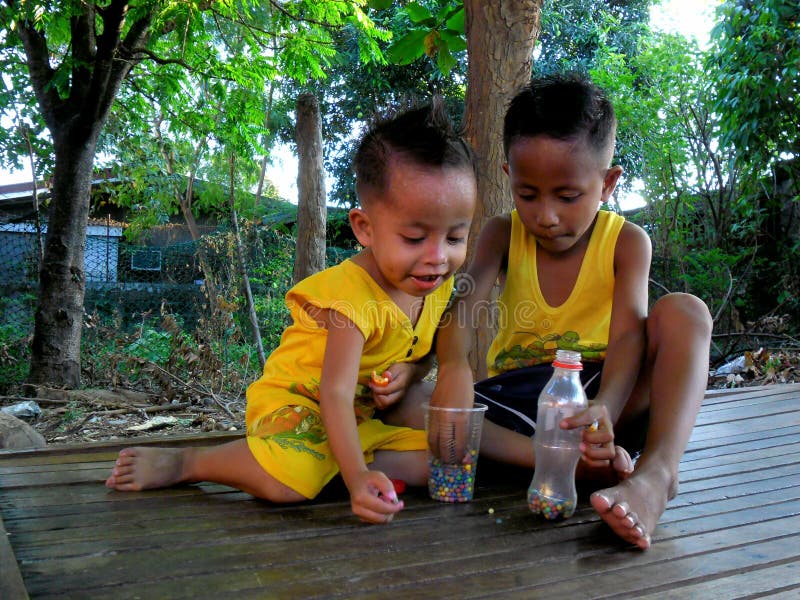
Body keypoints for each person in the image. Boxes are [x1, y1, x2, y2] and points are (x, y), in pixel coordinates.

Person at [105, 100, 478, 525]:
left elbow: (426, 348)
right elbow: (333, 393)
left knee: (435, 462)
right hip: (299, 406)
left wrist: (411, 372)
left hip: (358, 418)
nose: (437, 257)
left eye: (454, 237)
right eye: (415, 237)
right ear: (364, 228)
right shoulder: (350, 298)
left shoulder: (435, 283)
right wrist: (357, 479)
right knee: (289, 486)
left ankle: (330, 465)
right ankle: (190, 463)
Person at [431, 73, 713, 549]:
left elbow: (628, 338)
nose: (545, 215)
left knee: (686, 312)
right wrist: (452, 367)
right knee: (417, 402)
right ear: (508, 178)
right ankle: (571, 464)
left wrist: (605, 406)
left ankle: (655, 476)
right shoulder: (502, 234)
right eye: (528, 194)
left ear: (606, 183)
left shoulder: (626, 242)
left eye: (567, 196)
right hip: (522, 404)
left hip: (604, 398)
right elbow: (463, 303)